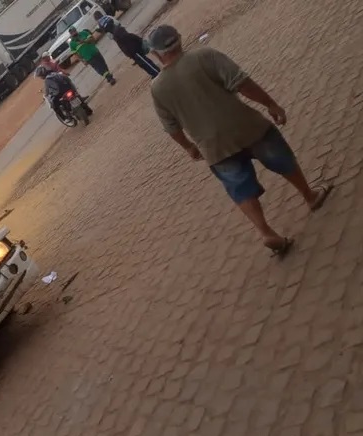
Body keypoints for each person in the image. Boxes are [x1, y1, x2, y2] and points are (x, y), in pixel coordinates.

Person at [148, 24, 332, 257]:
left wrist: (189, 147)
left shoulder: (157, 88)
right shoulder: (205, 56)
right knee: (282, 159)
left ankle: (266, 232)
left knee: (240, 188)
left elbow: (171, 127)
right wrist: (271, 104)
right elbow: (242, 83)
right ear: (180, 40)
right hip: (247, 126)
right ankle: (310, 196)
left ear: (155, 54)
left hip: (214, 147)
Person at [94, 12, 160, 78]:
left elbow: (128, 39)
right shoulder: (116, 27)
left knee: (144, 62)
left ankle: (156, 72)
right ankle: (154, 73)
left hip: (133, 50)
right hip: (133, 50)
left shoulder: (117, 34)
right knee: (143, 62)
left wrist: (138, 41)